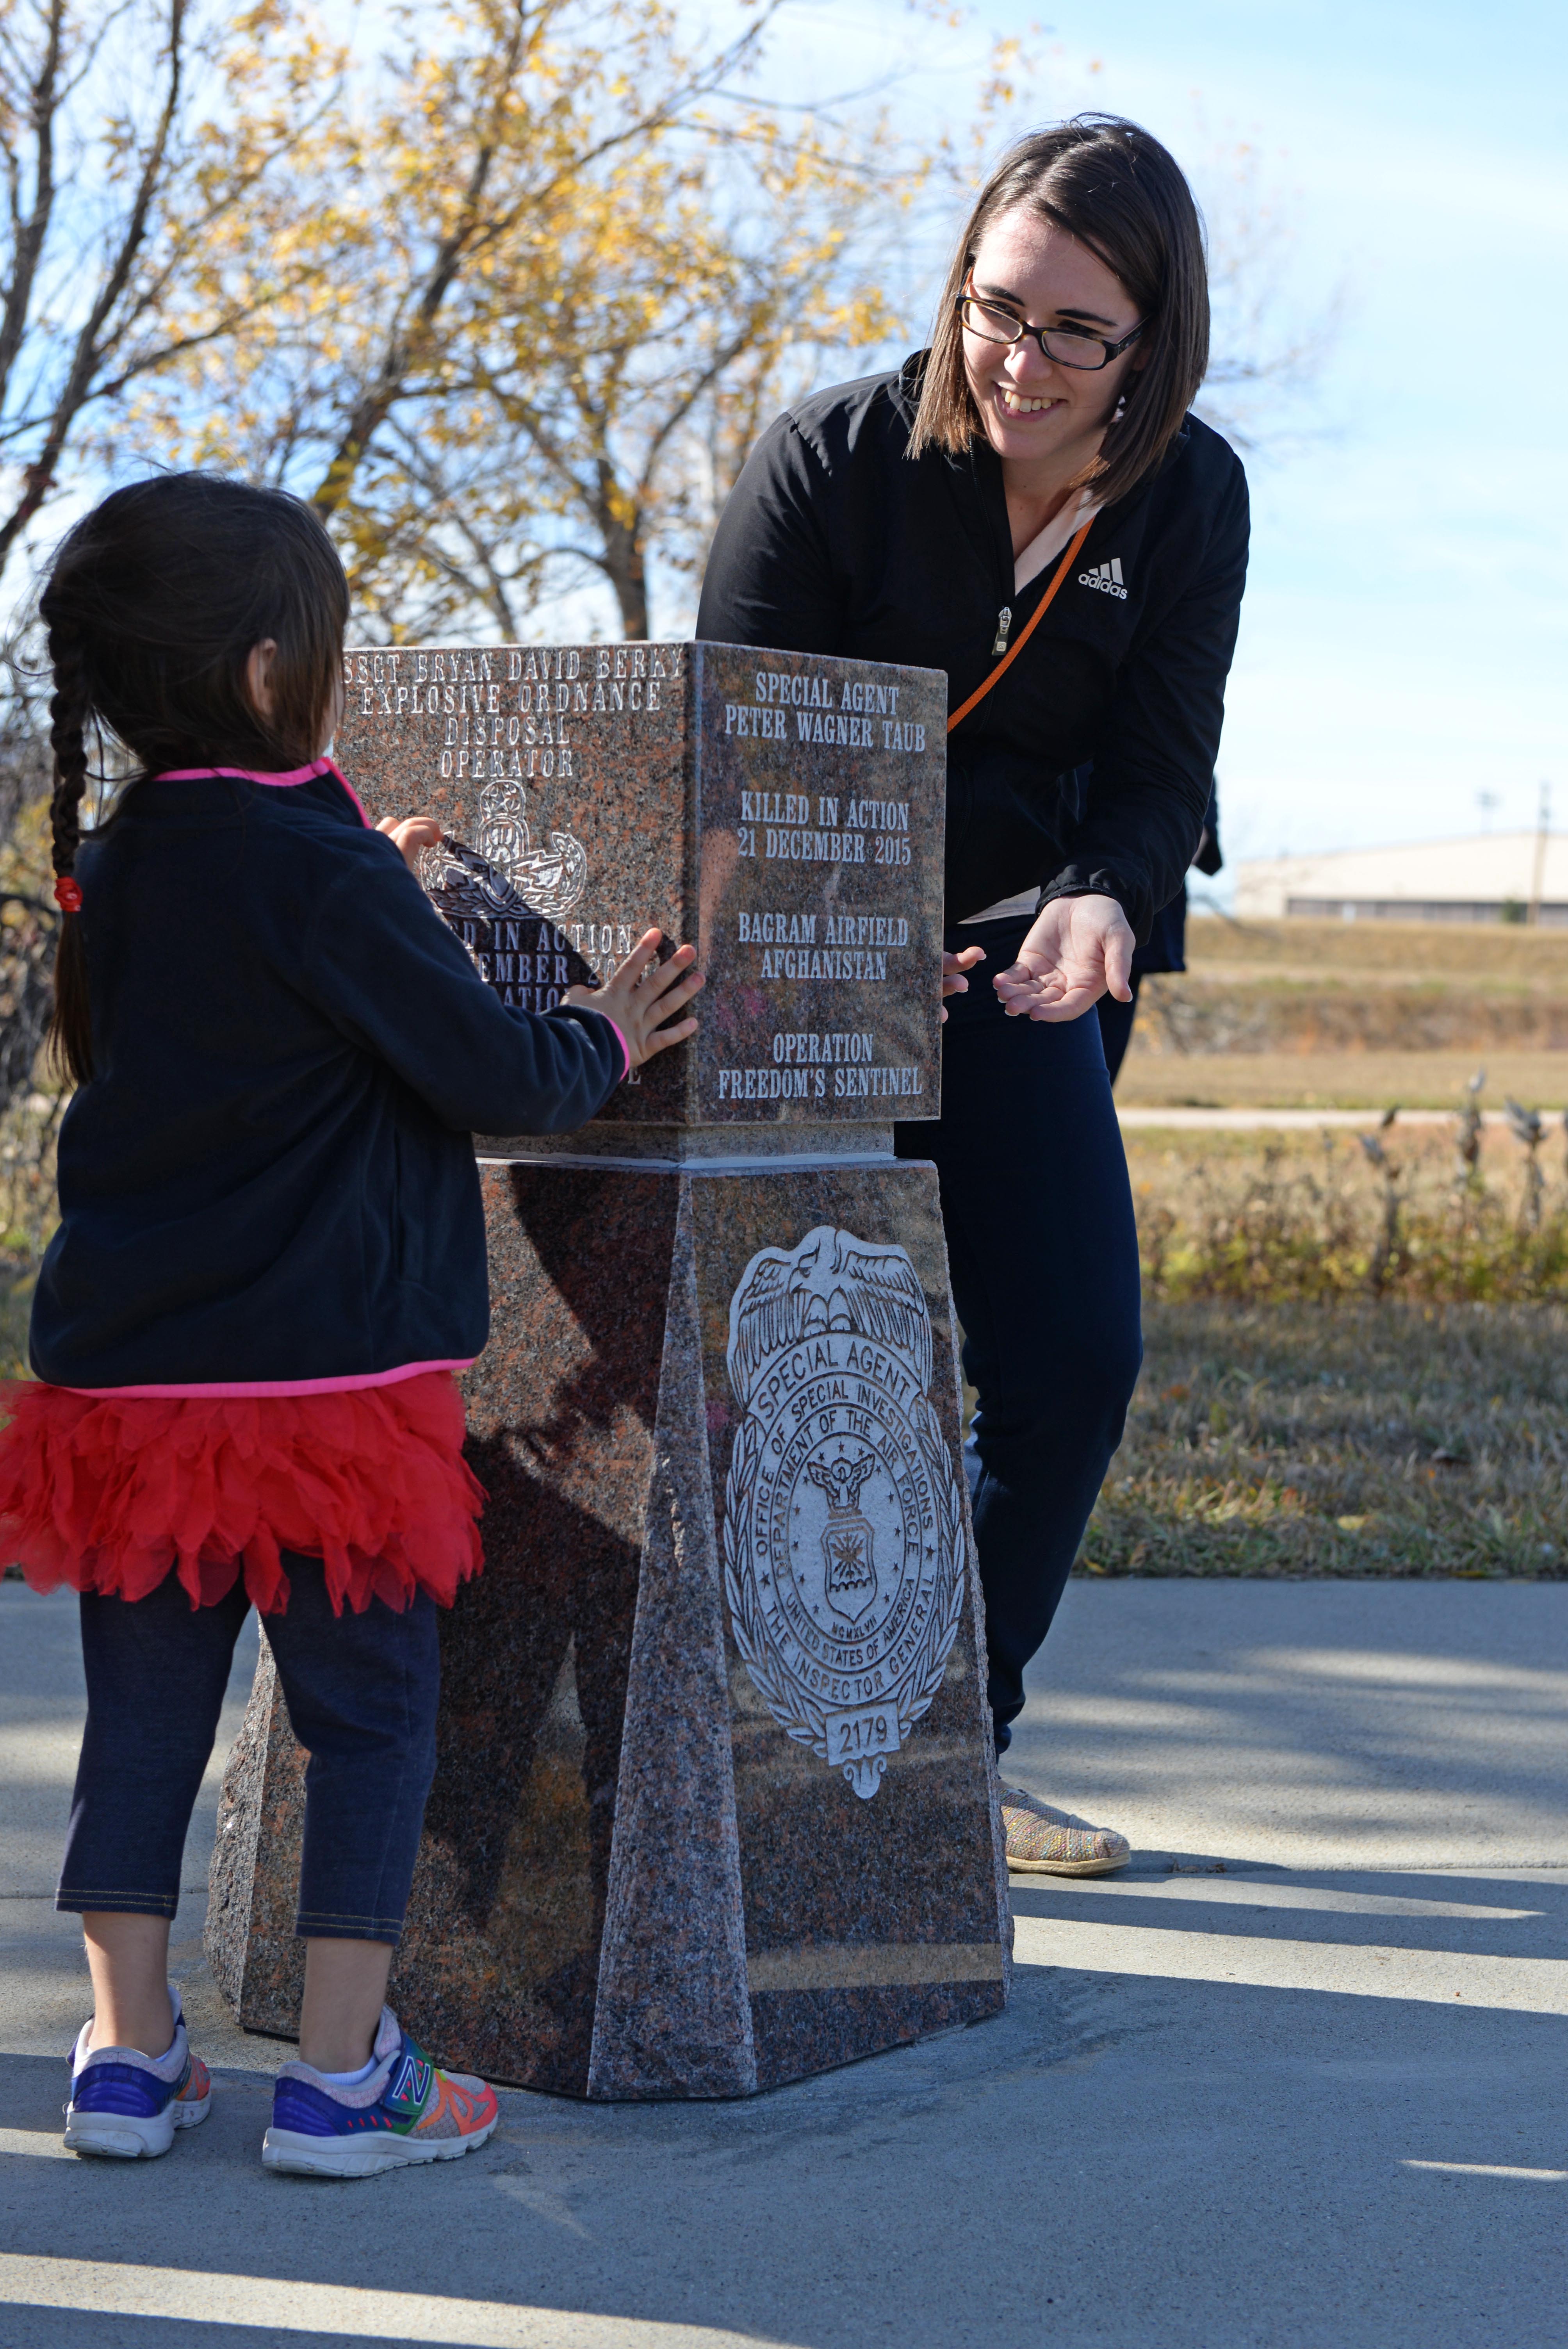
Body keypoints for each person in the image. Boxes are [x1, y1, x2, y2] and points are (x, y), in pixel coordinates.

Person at [0, 473, 702, 2175]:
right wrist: (608, 1025)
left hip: (131, 1391)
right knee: (368, 1711)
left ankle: (125, 2054)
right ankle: (339, 2077)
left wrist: (366, 881)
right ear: (267, 673)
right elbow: (491, 1069)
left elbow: (235, 1007)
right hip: (325, 1393)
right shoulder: (320, 870)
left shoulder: (118, 858)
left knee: (143, 1720)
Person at [697, 115, 1248, 1874]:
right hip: (803, 970)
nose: (1020, 360)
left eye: (1075, 329)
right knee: (790, 1369)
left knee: (1070, 1357)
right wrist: (849, 936)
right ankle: (729, 1758)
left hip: (1026, 959)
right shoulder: (832, 458)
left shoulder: (1191, 495)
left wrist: (1102, 894)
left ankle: (946, 1758)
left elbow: (1159, 767)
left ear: (1148, 342)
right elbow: (728, 751)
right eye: (996, 308)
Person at [1096, 776, 1222, 1083]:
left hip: (1131, 924)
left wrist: (1116, 884)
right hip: (1021, 918)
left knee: (1096, 1078)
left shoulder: (1177, 751)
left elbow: (1194, 831)